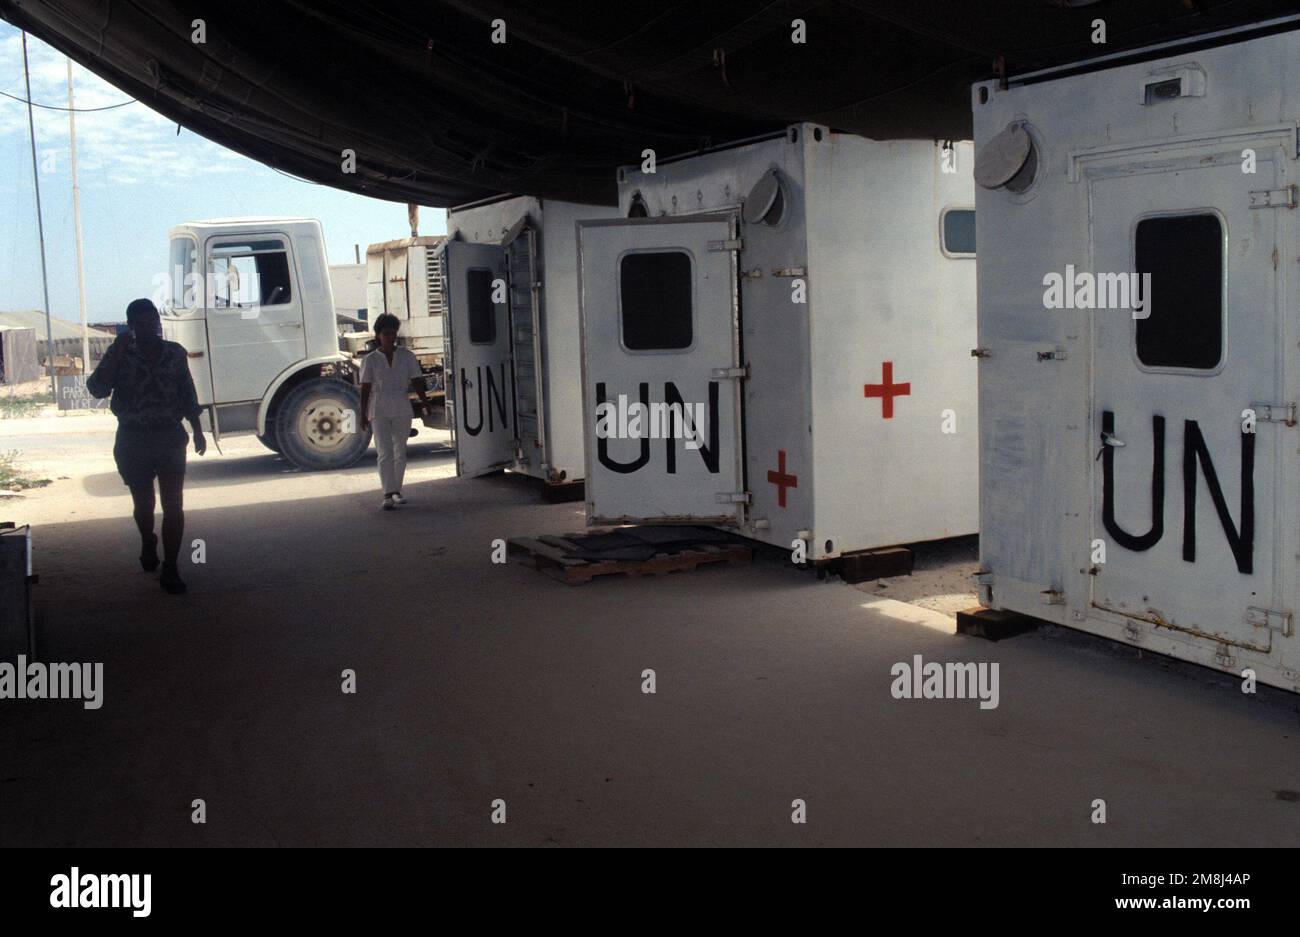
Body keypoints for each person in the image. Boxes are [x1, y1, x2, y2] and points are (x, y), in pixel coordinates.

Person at [87, 298, 206, 594]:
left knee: (174, 504)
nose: (149, 329)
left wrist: (199, 429)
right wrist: (117, 351)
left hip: (169, 436)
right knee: (143, 504)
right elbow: (97, 389)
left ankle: (171, 567)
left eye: (153, 323)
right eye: (141, 325)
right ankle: (148, 540)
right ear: (131, 327)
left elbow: (187, 391)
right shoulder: (122, 354)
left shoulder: (174, 354)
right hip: (133, 439)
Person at [359, 313, 431, 510]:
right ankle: (387, 493)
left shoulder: (407, 356)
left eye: (393, 333)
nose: (390, 337)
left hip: (401, 406)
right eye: (386, 333)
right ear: (378, 335)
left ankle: (397, 490)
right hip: (378, 408)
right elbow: (365, 387)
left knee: (400, 450)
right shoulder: (371, 360)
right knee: (384, 451)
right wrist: (362, 414)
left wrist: (425, 402)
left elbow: (417, 380)